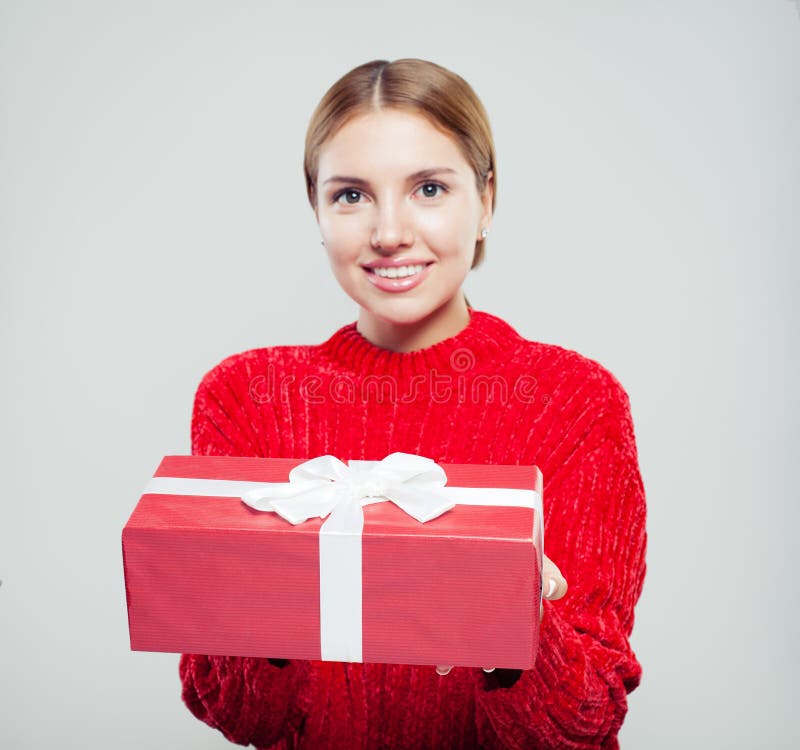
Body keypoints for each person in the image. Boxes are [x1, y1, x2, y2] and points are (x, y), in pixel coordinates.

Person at [179, 58, 647, 749]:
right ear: (316, 208)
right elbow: (230, 708)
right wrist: (268, 600)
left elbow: (586, 720)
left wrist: (516, 623)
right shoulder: (247, 399)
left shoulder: (576, 403)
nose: (389, 231)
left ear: (486, 201)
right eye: (350, 196)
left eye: (429, 188)